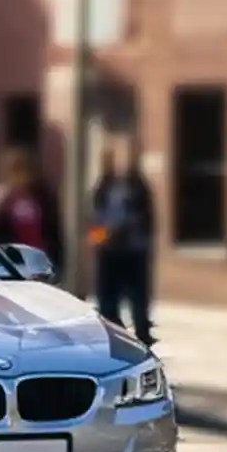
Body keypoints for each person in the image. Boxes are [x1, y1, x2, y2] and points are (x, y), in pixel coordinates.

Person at [91, 143, 156, 346]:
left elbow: (147, 219)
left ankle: (141, 331)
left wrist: (137, 236)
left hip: (134, 250)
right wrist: (102, 240)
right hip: (109, 250)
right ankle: (110, 330)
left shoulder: (139, 188)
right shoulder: (102, 188)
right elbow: (95, 219)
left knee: (138, 297)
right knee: (107, 297)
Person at [0, 147, 64, 275]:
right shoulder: (0, 197)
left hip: (39, 262)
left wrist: (56, 260)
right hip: (13, 263)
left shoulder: (40, 197)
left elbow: (52, 229)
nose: (22, 177)